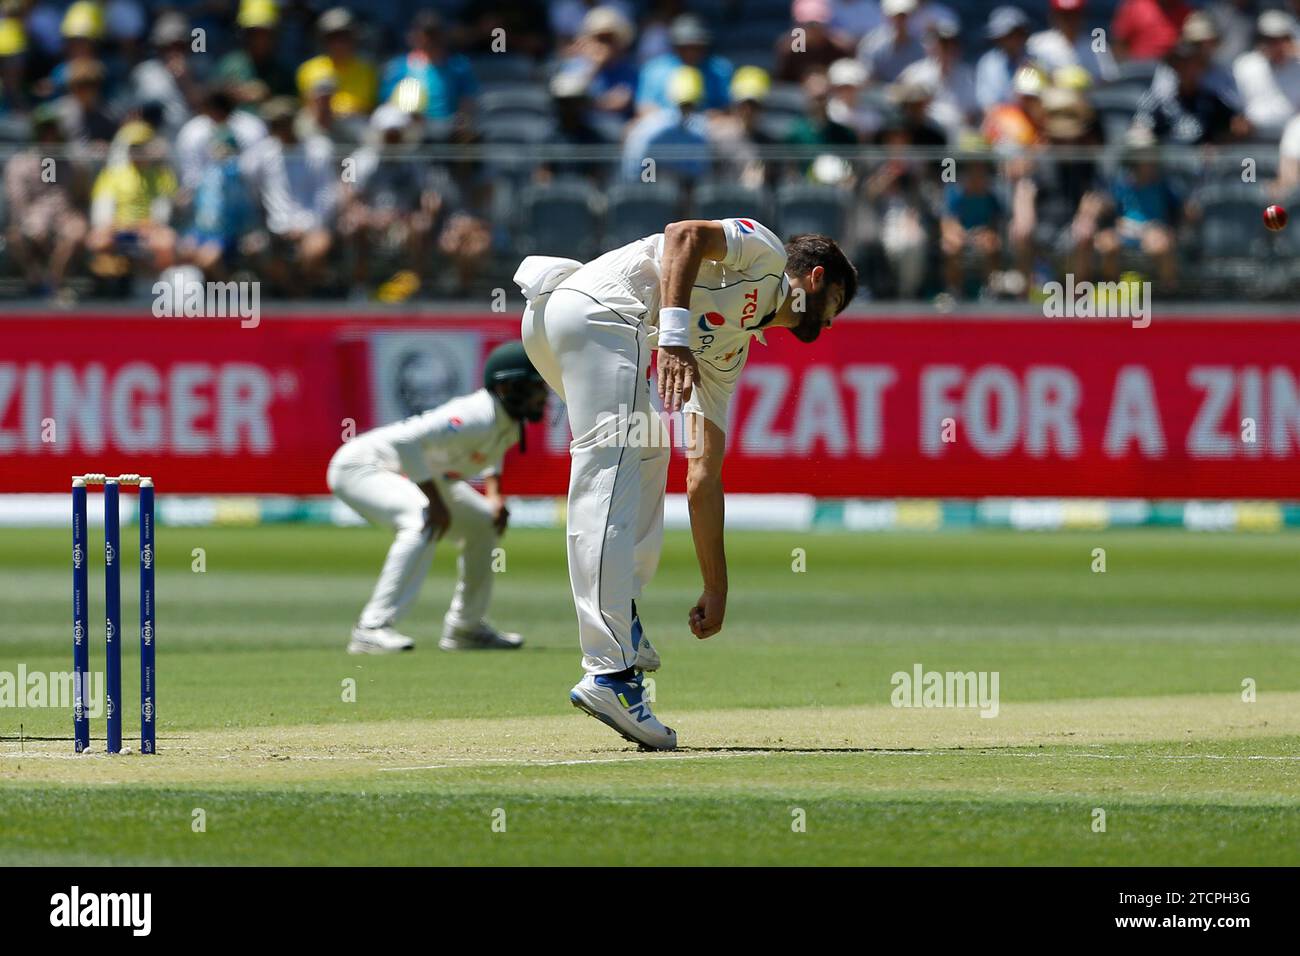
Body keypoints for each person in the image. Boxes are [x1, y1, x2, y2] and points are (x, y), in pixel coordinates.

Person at [517, 219, 857, 749]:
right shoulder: (764, 252)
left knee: (650, 442)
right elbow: (682, 235)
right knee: (609, 467)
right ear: (816, 279)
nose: (831, 323)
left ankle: (620, 614)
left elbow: (703, 476)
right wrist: (673, 339)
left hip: (564, 323)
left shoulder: (730, 351)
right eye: (837, 303)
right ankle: (609, 673)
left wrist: (716, 587)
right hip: (597, 309)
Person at [326, 341, 548, 654]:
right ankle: (371, 628)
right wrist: (437, 503)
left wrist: (494, 496)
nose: (545, 396)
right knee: (421, 519)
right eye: (538, 386)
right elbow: (407, 440)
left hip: (418, 474)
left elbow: (490, 454)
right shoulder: (474, 415)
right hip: (360, 466)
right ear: (509, 386)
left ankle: (465, 628)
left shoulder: (508, 420)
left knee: (483, 524)